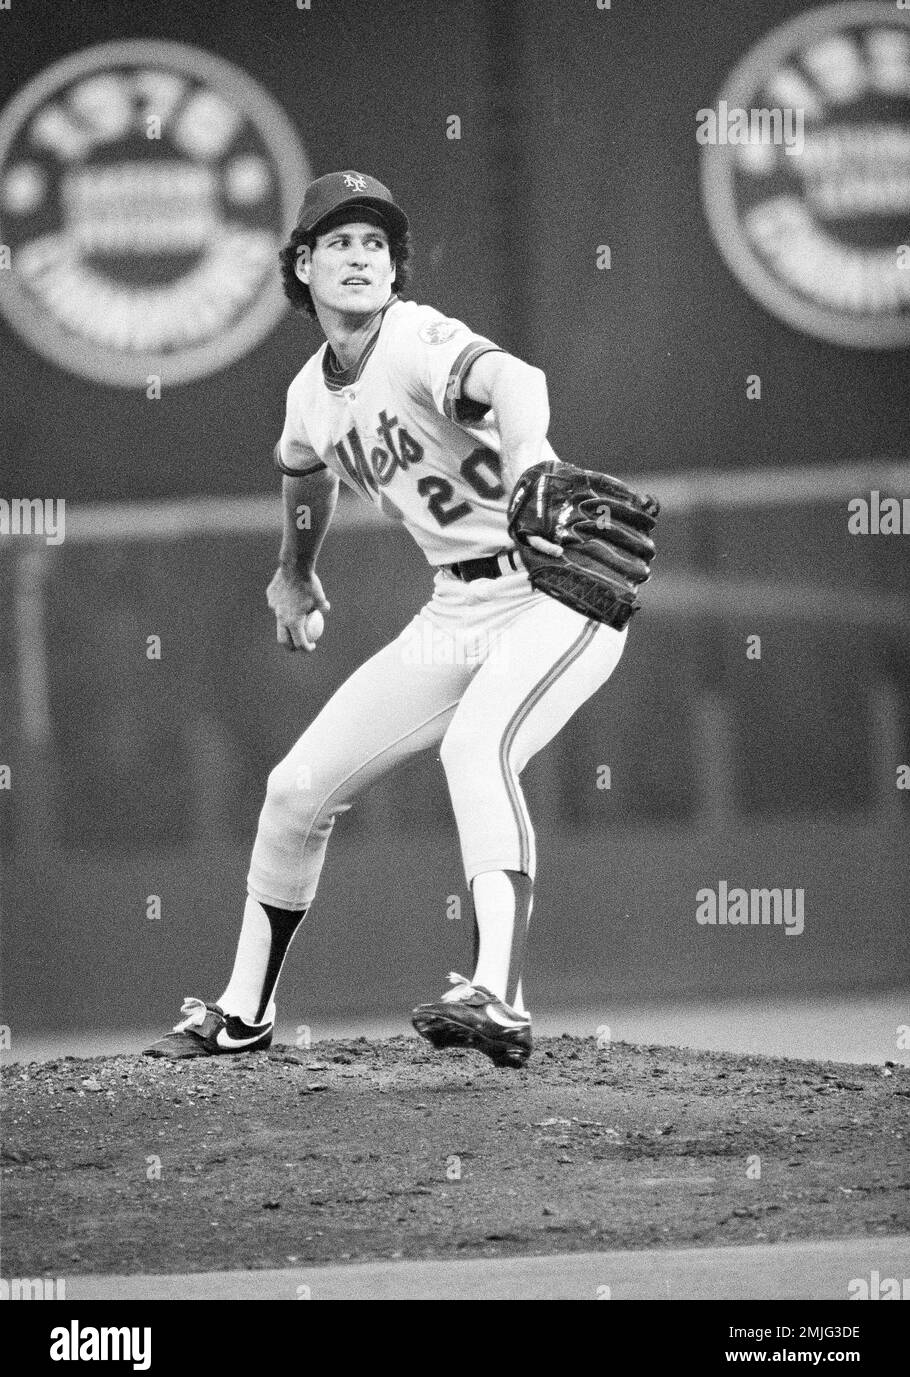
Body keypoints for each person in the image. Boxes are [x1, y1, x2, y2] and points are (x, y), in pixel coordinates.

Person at [145, 170, 628, 1068]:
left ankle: (500, 996)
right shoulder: (309, 392)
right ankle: (245, 1009)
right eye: (339, 242)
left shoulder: (413, 337)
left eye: (376, 244)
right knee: (293, 790)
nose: (361, 257)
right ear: (302, 265)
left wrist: (528, 460)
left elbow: (516, 378)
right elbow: (305, 466)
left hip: (555, 589)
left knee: (476, 747)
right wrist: (295, 571)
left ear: (395, 269)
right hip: (460, 605)